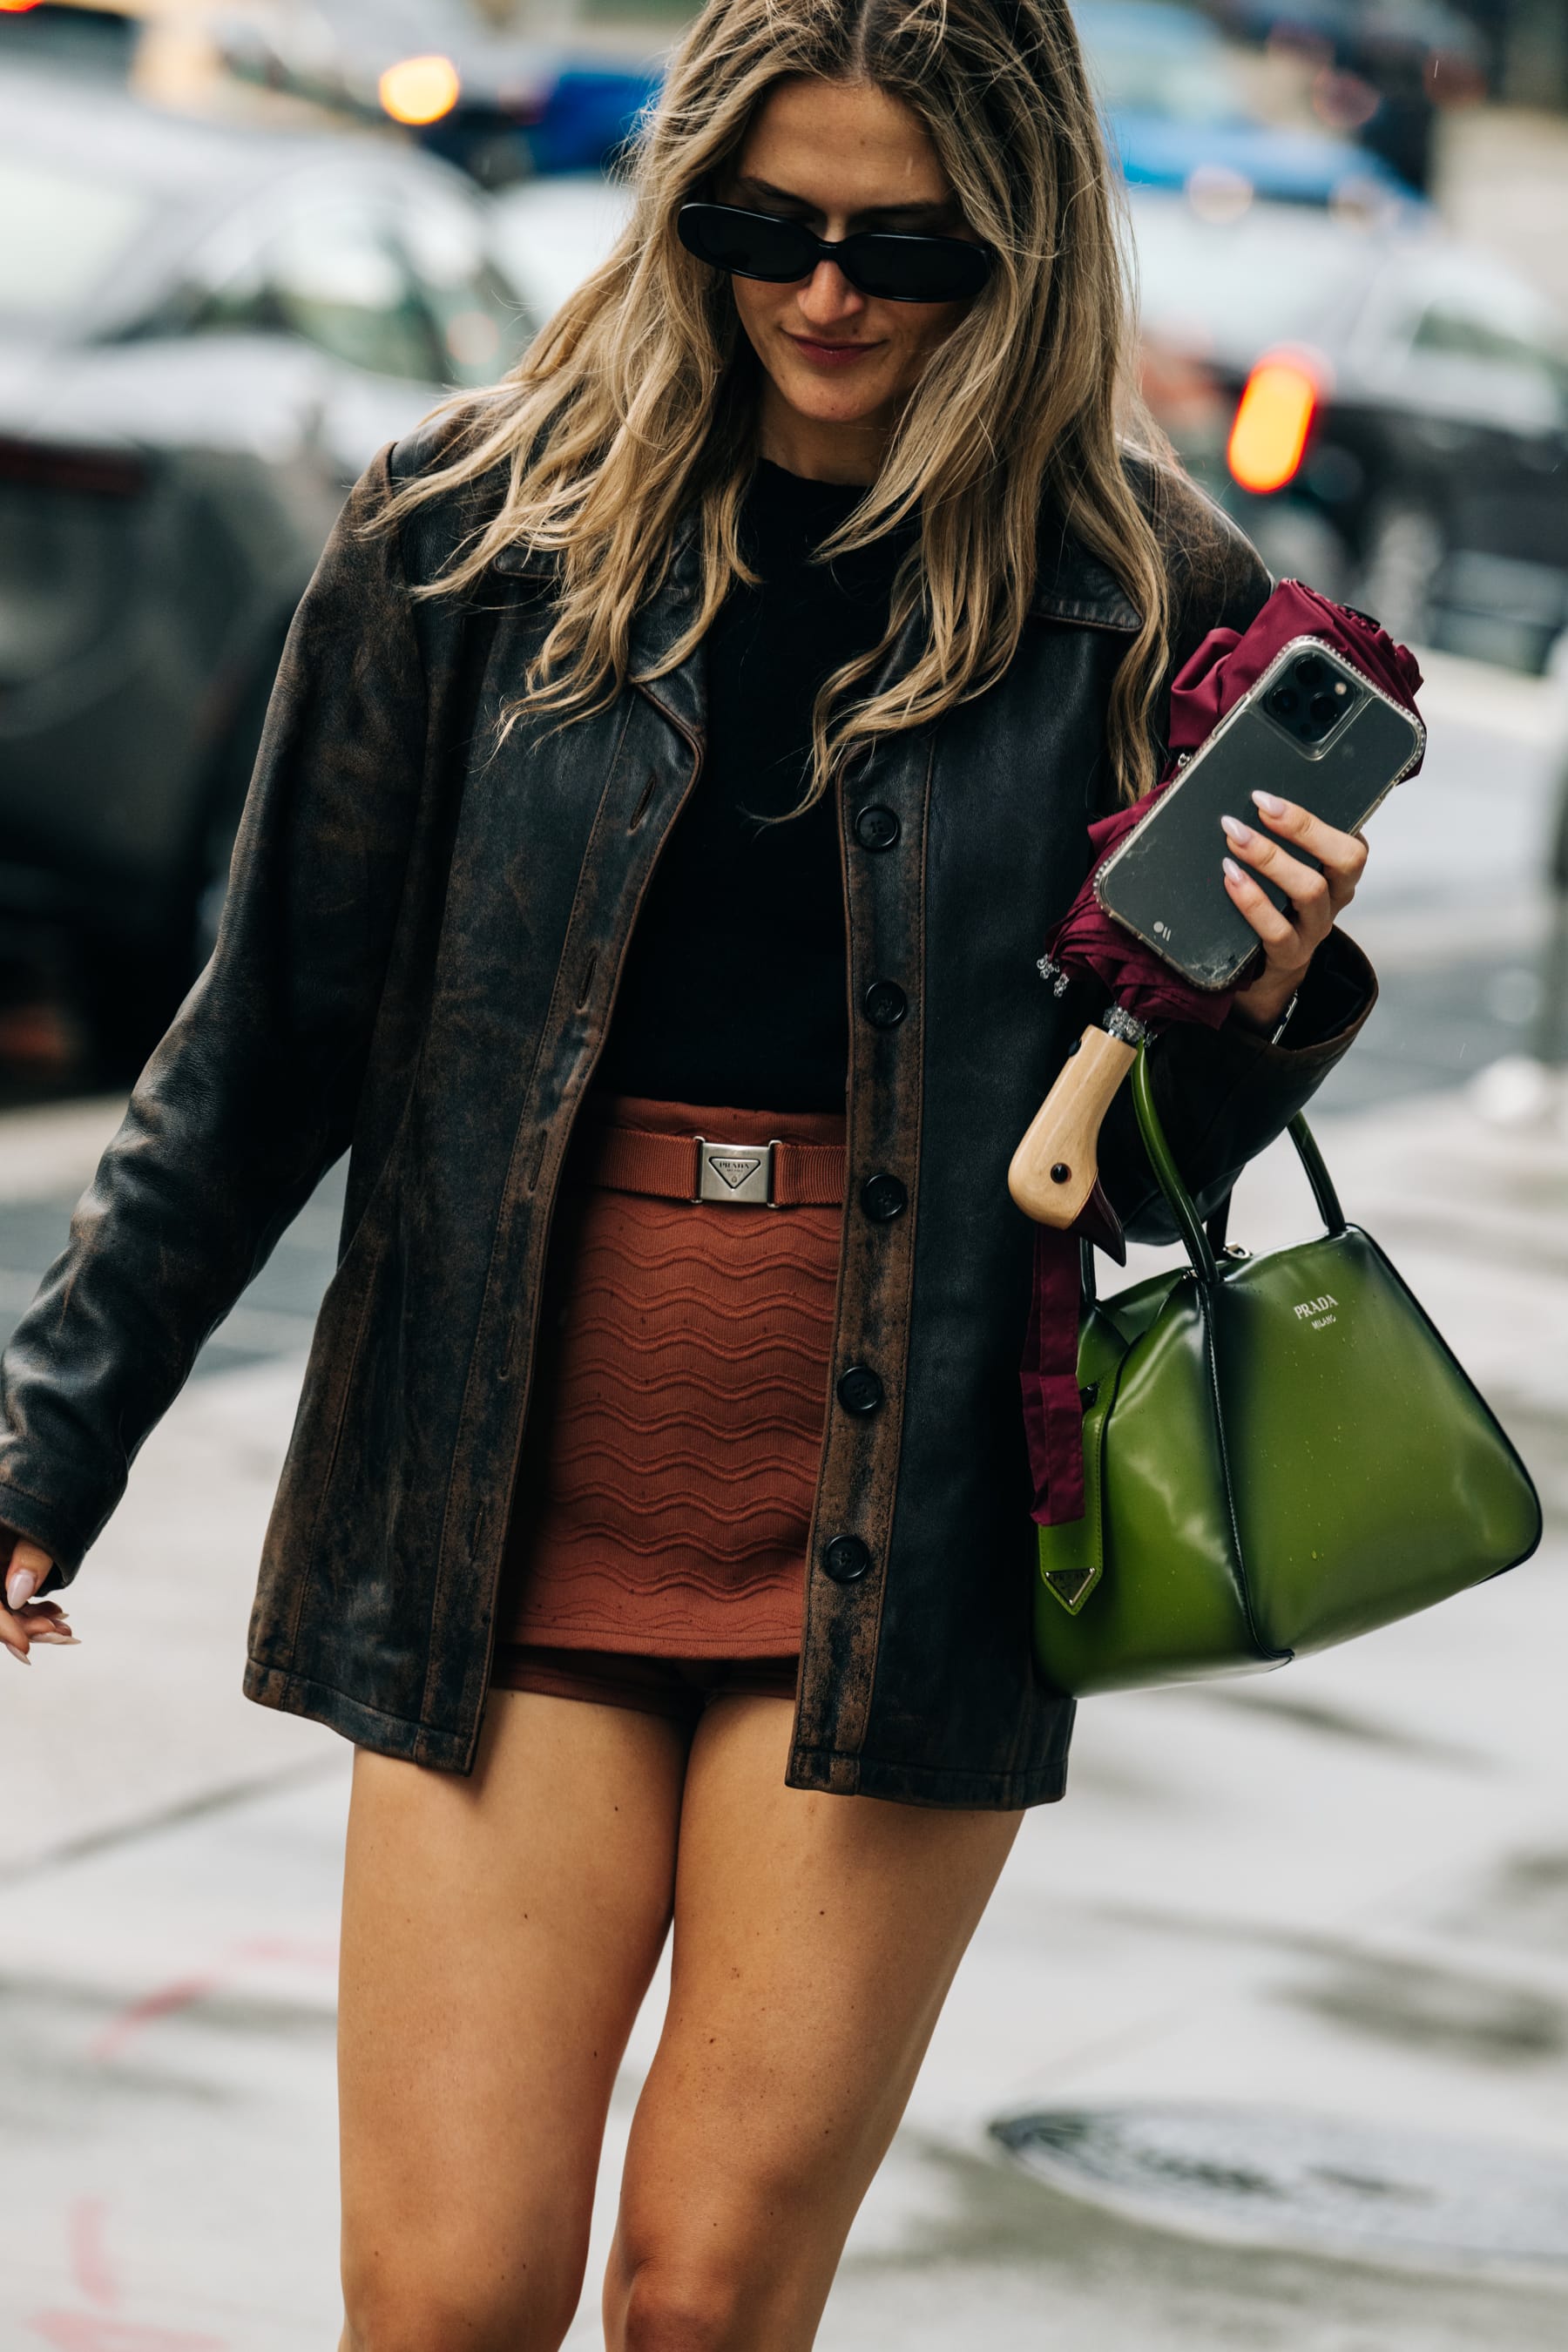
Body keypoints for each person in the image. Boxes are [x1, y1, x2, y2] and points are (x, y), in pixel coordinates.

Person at [0, 0, 1378, 2342]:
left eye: (902, 248)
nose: (826, 292)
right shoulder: (465, 534)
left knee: (707, 2297)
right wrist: (61, 1423)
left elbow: (1142, 1187)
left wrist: (1254, 993)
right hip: (492, 1501)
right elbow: (271, 1034)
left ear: (1022, 246)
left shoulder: (1138, 597)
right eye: (765, 227)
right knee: (445, 2297)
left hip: (897, 1535)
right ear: (685, 209)